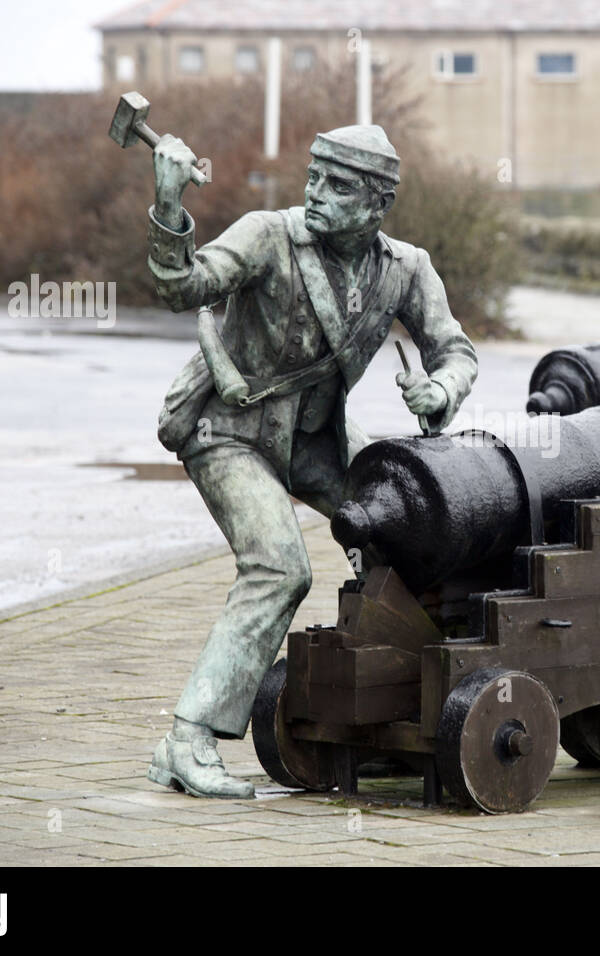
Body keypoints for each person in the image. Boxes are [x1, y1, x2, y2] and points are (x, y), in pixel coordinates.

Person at [143, 124, 478, 797]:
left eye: (340, 186)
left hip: (314, 438)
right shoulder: (268, 234)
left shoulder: (405, 267)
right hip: (228, 427)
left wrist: (439, 388)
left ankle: (388, 707)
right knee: (279, 567)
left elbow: (455, 349)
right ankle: (187, 738)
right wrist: (171, 208)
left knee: (406, 528)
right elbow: (183, 286)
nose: (318, 194)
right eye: (315, 178)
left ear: (379, 203)